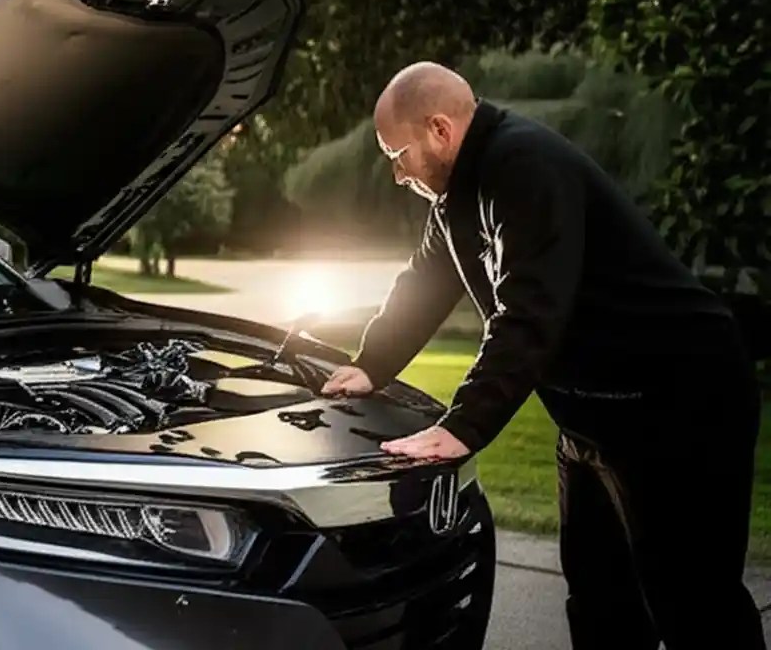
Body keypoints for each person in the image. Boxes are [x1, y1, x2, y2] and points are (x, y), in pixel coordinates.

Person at [321, 61, 765, 649]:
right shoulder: (456, 196)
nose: (396, 173)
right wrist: (371, 363)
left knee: (694, 602)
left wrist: (466, 424)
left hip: (680, 403)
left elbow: (529, 309)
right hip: (590, 417)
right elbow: (425, 280)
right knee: (600, 600)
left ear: (439, 130)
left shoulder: (524, 166)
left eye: (395, 154)